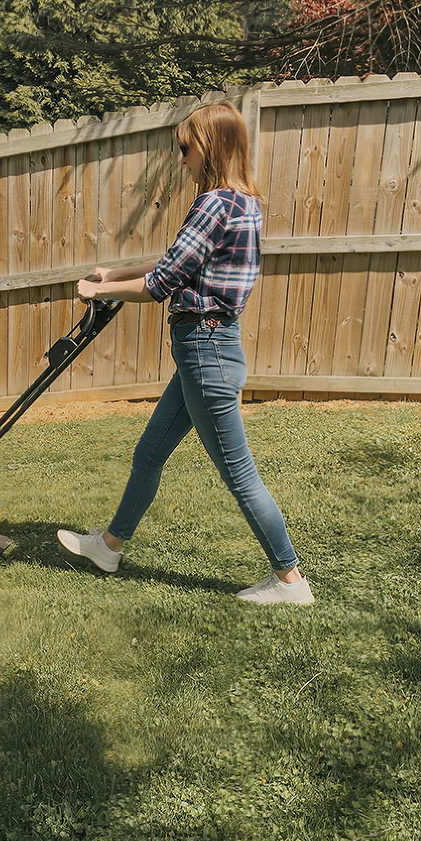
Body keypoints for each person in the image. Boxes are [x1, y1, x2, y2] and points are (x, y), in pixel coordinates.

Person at [56, 99, 313, 605]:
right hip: (210, 349)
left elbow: (161, 285)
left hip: (205, 352)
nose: (182, 159)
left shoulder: (214, 202)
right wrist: (115, 274)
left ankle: (290, 580)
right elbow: (180, 264)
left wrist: (97, 292)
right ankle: (109, 546)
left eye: (185, 148)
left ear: (210, 146)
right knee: (149, 452)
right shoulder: (246, 203)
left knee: (239, 474)